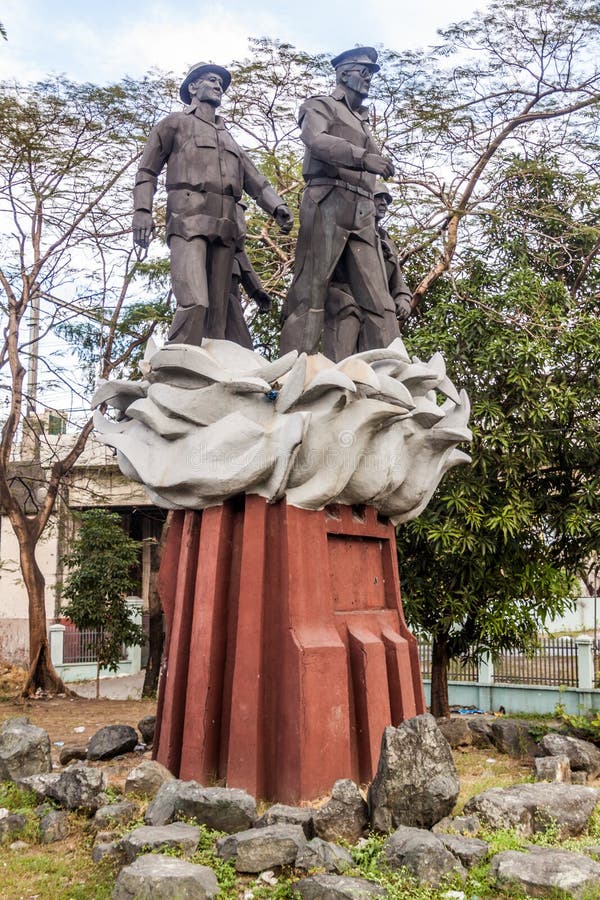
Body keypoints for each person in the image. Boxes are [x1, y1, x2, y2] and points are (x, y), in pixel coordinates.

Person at [132, 62, 293, 346]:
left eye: (222, 83)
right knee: (195, 301)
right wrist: (143, 211)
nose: (219, 86)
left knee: (218, 320)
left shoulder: (227, 137)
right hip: (188, 219)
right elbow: (147, 172)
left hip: (226, 226)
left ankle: (214, 379)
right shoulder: (174, 124)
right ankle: (176, 366)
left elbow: (255, 179)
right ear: (193, 87)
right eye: (212, 80)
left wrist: (277, 206)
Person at [279, 47, 401, 357]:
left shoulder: (362, 122)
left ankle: (391, 374)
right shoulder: (320, 106)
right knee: (311, 290)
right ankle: (294, 371)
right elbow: (316, 140)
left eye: (371, 73)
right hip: (328, 199)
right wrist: (363, 158)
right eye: (363, 71)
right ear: (343, 72)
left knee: (379, 298)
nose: (368, 78)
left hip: (362, 211)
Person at [374, 184, 413, 322]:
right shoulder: (349, 235)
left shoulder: (387, 241)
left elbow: (397, 282)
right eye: (378, 197)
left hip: (383, 313)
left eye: (386, 199)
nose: (384, 202)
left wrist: (403, 298)